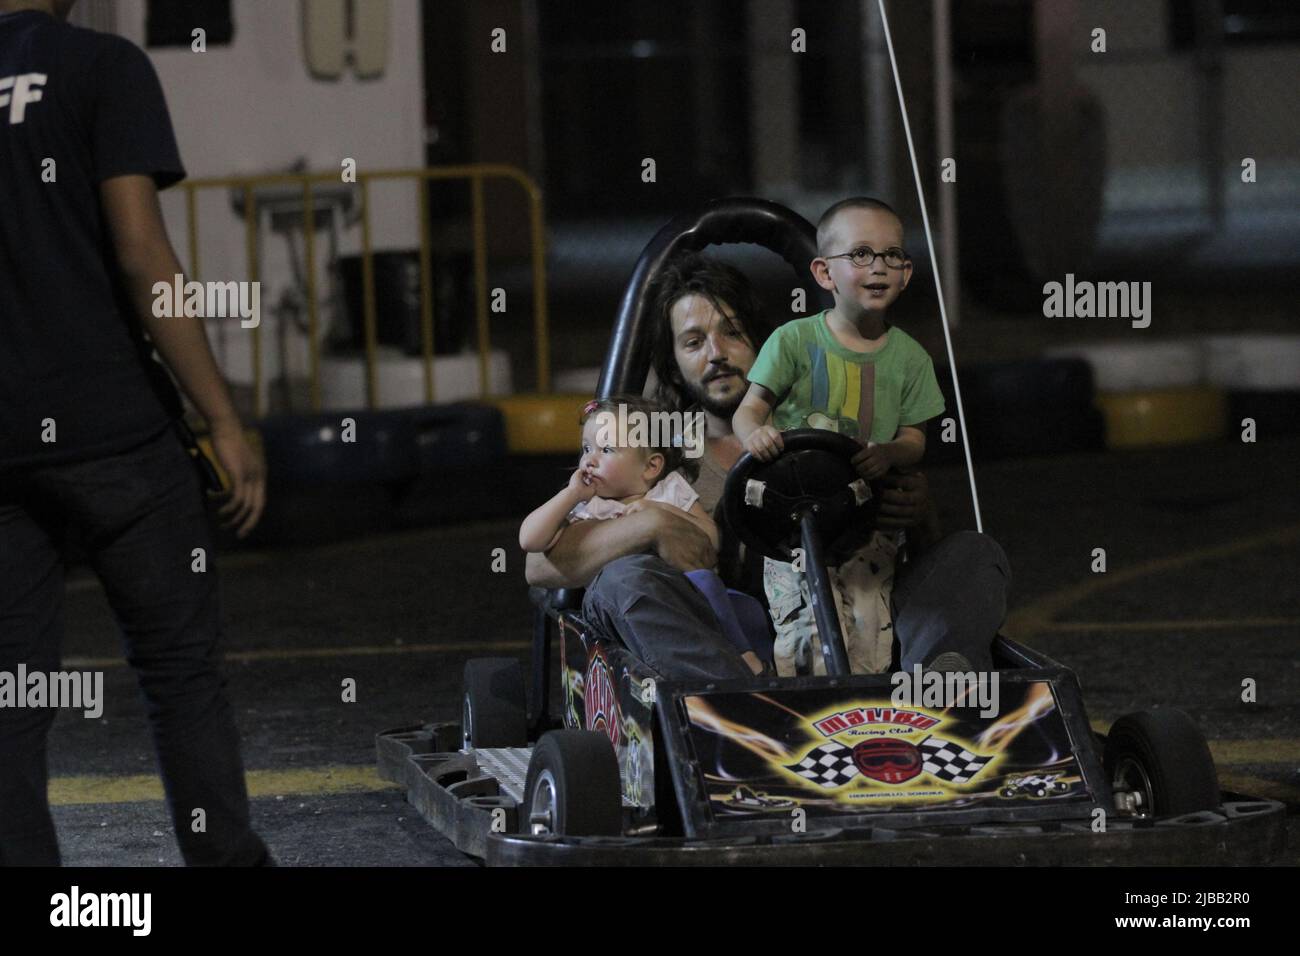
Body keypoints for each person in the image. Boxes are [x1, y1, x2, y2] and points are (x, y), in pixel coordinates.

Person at [0, 0, 269, 865]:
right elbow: (142, 254)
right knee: (179, 678)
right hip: (116, 432)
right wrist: (221, 417)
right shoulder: (102, 67)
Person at [525, 251, 1010, 680]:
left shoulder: (822, 427)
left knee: (973, 554)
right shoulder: (654, 453)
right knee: (622, 580)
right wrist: (651, 523)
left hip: (856, 626)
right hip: (730, 641)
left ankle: (939, 693)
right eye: (694, 343)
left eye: (732, 334)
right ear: (674, 366)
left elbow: (911, 548)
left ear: (766, 345)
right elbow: (538, 564)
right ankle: (731, 704)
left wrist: (916, 509)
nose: (716, 354)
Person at [733, 197, 945, 676]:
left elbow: (915, 440)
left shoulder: (910, 359)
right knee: (808, 633)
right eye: (861, 254)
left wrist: (888, 452)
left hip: (864, 521)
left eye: (892, 256)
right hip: (792, 526)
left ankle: (864, 725)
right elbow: (749, 411)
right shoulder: (793, 342)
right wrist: (757, 436)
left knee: (869, 635)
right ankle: (805, 724)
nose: (879, 267)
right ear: (825, 274)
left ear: (906, 273)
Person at [520, 396, 770, 675]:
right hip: (619, 609)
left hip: (685, 589)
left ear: (651, 467)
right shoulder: (588, 503)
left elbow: (709, 539)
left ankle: (745, 656)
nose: (589, 459)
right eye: (586, 448)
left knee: (732, 599)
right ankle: (733, 676)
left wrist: (659, 511)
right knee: (632, 583)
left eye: (607, 449)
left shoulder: (667, 491)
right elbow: (530, 541)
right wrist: (570, 495)